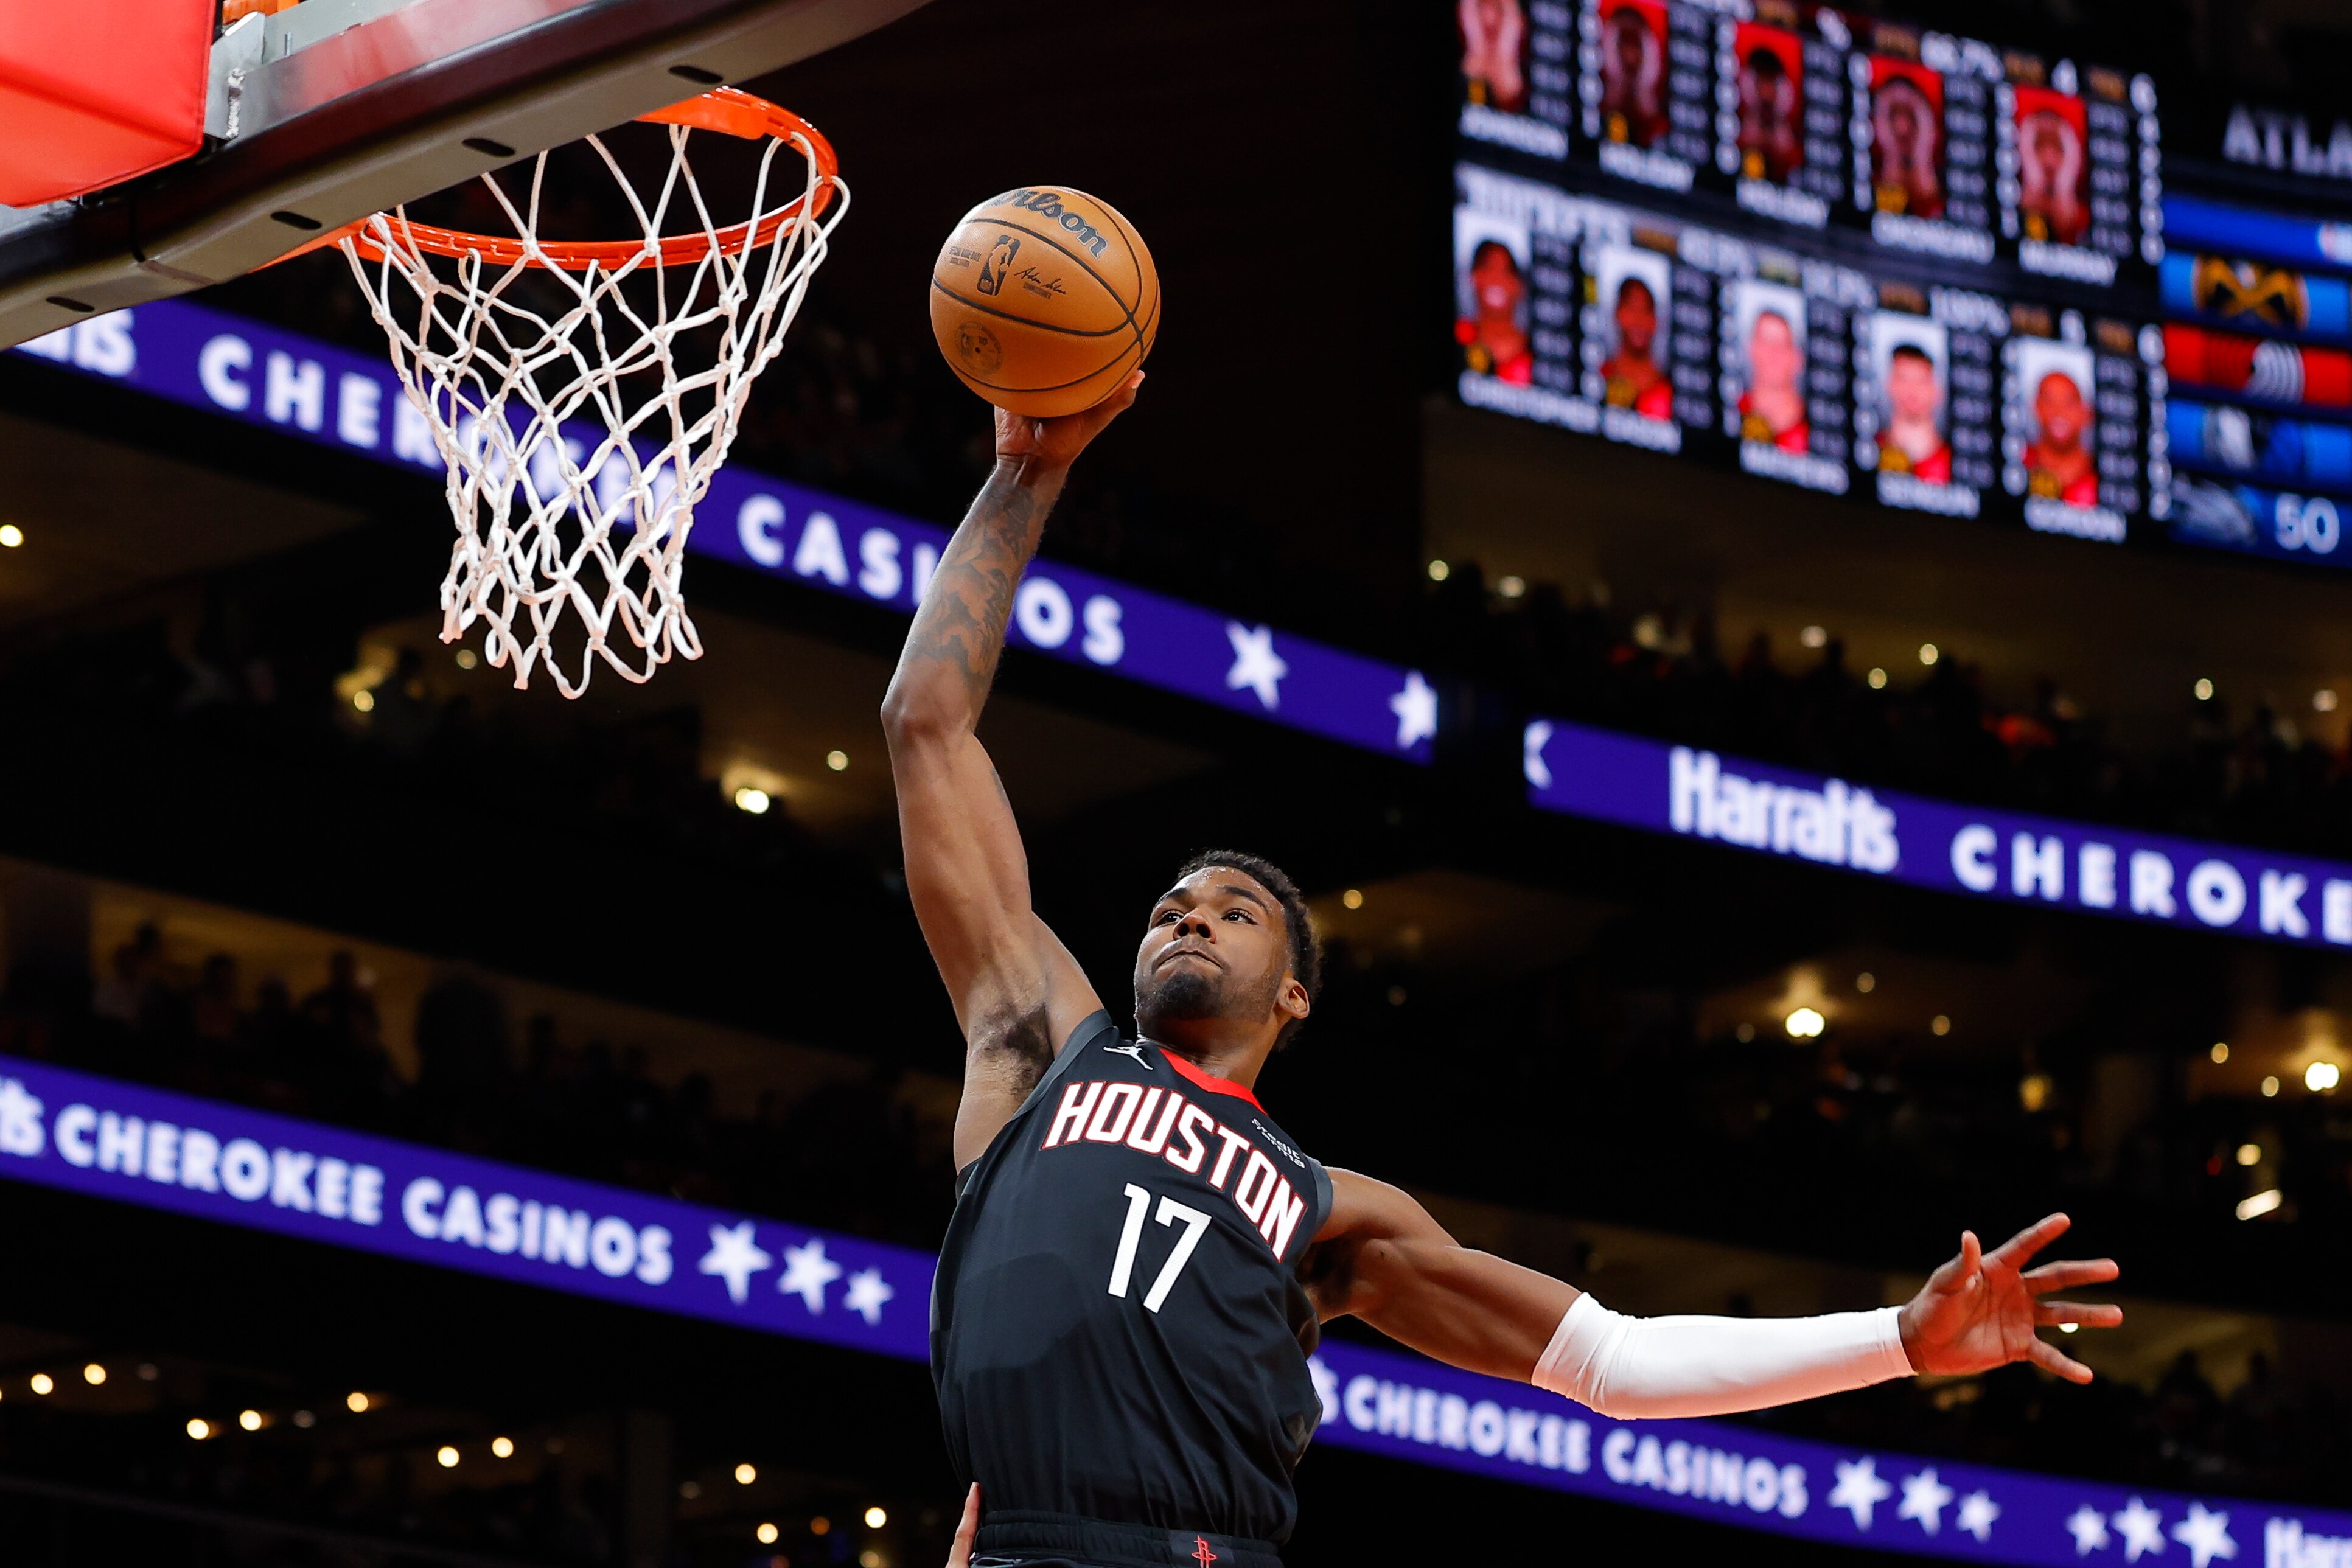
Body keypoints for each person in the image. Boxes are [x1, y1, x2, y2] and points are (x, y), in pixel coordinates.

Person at [887, 372, 2123, 1567]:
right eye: (1171, 904)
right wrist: (1026, 466)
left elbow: (1617, 1365)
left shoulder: (1332, 1208)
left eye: (1236, 908)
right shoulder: (1045, 1045)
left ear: (1295, 992)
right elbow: (925, 727)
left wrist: (1898, 1340)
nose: (1188, 915)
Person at [1457, 240, 1534, 384]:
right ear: (1473, 276)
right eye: (1488, 267)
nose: (1496, 279)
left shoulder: (1539, 352)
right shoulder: (1460, 336)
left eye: (1506, 271)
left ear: (1519, 285)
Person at [1872, 74, 1944, 218]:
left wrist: (1923, 167)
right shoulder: (1866, 187)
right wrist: (1892, 164)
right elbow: (1887, 222)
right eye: (1892, 115)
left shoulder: (1945, 195)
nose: (1902, 127)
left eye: (1911, 116)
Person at [1878, 342, 1951, 483]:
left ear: (1938, 391)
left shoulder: (1955, 463)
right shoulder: (1869, 449)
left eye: (1921, 381)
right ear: (1889, 385)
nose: (1912, 391)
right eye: (1903, 379)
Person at [1601, 275, 1672, 419]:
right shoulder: (1599, 377)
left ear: (1656, 321)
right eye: (1632, 309)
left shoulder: (1670, 391)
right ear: (1617, 313)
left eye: (1646, 310)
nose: (1639, 320)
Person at [1739, 308, 1809, 451]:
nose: (1773, 354)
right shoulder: (1734, 411)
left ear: (1798, 357)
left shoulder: (1816, 428)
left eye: (1782, 344)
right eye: (1766, 342)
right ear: (1751, 349)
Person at [2026, 368, 2099, 506]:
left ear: (2086, 413)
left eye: (2069, 404)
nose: (2059, 413)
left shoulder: (2104, 475)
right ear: (2036, 407)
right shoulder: (2019, 462)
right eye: (2049, 402)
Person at [2019, 105, 2089, 246]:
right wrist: (2033, 182)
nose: (2049, 159)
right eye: (2039, 145)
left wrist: (2064, 188)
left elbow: (2065, 222)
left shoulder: (2087, 220)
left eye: (2058, 147)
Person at [1599, 2, 1666, 147]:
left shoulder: (1663, 130)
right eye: (1622, 43)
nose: (1630, 57)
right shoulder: (1591, 115)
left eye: (1637, 45)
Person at [1736, 40, 1802, 182]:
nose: (1766, 90)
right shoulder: (1740, 131)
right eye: (1761, 81)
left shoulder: (1787, 141)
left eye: (1770, 82)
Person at [1458, 0, 1527, 115]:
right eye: (1481, 7)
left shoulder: (1512, 86)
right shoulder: (1471, 74)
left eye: (1498, 9)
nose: (1489, 17)